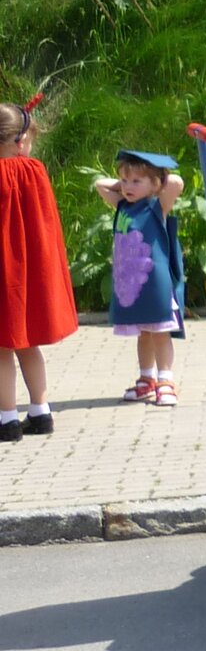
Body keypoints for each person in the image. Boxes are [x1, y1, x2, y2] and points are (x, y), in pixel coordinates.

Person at [0, 97, 78, 441]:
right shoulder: (34, 170)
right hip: (29, 272)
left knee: (1, 347)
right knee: (28, 343)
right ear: (19, 141)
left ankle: (6, 419)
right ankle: (40, 411)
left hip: (4, 275)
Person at [94, 149, 187, 407]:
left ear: (156, 184)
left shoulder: (157, 206)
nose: (128, 187)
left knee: (160, 332)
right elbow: (100, 185)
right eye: (125, 181)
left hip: (155, 284)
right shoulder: (124, 206)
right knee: (143, 334)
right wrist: (127, 184)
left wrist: (154, 181)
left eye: (136, 181)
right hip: (132, 286)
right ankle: (147, 379)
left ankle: (166, 380)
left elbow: (177, 183)